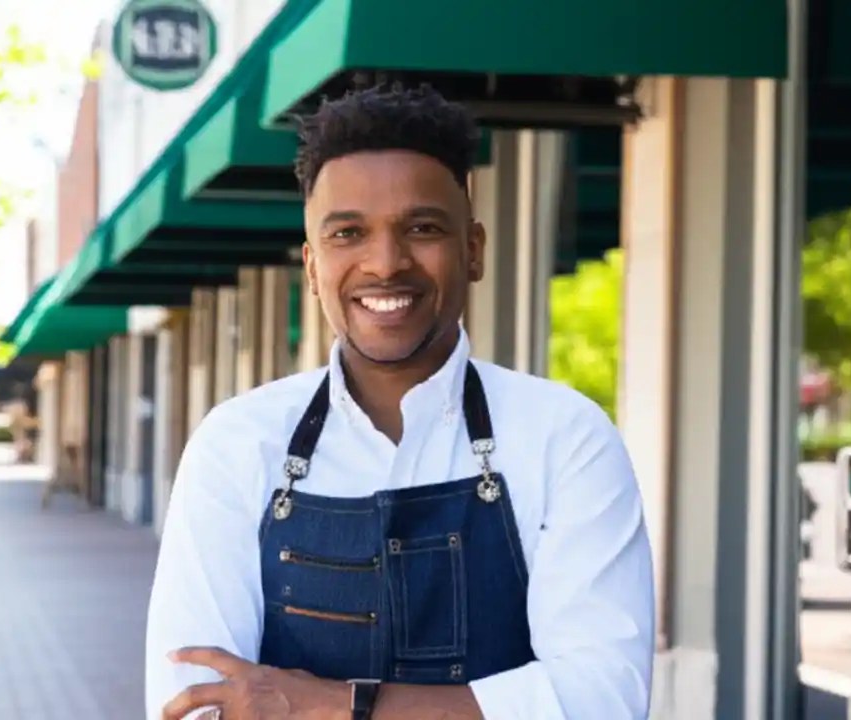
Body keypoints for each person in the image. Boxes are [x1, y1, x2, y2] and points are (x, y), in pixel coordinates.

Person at [145, 84, 655, 720]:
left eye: (422, 228)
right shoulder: (238, 442)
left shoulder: (565, 437)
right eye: (348, 233)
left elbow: (602, 700)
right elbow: (196, 703)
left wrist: (330, 705)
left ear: (473, 249)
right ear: (311, 264)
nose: (384, 263)